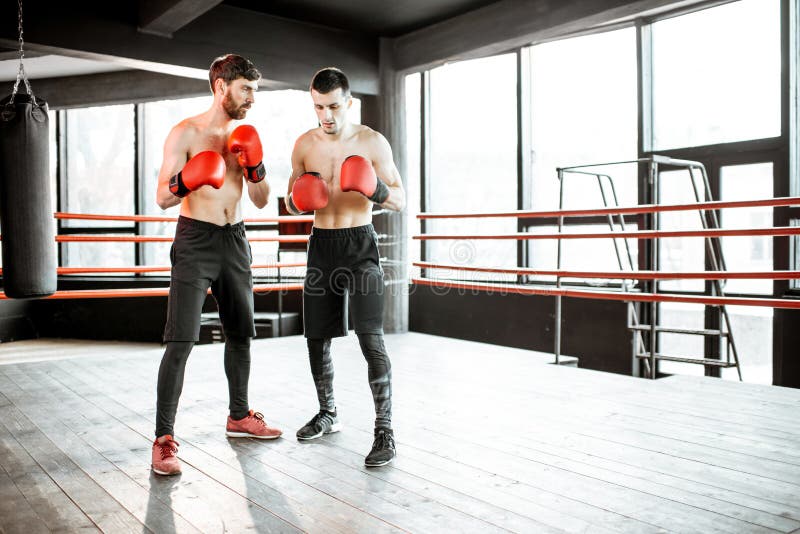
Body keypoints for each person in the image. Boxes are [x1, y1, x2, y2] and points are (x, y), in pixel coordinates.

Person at [151, 54, 282, 476]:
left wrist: (255, 166)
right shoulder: (185, 132)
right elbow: (163, 198)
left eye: (255, 91)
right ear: (222, 86)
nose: (252, 99)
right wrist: (189, 178)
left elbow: (261, 201)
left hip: (235, 239)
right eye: (246, 90)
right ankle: (164, 439)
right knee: (181, 340)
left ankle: (239, 415)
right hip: (195, 240)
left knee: (241, 332)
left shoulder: (245, 135)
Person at [285, 67, 405, 467]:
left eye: (333, 106)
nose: (326, 115)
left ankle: (385, 429)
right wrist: (299, 198)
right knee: (316, 336)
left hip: (360, 244)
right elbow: (290, 198)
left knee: (370, 338)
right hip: (322, 245)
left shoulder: (372, 141)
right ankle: (328, 413)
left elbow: (401, 200)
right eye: (318, 106)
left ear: (349, 102)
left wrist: (375, 189)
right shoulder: (304, 145)